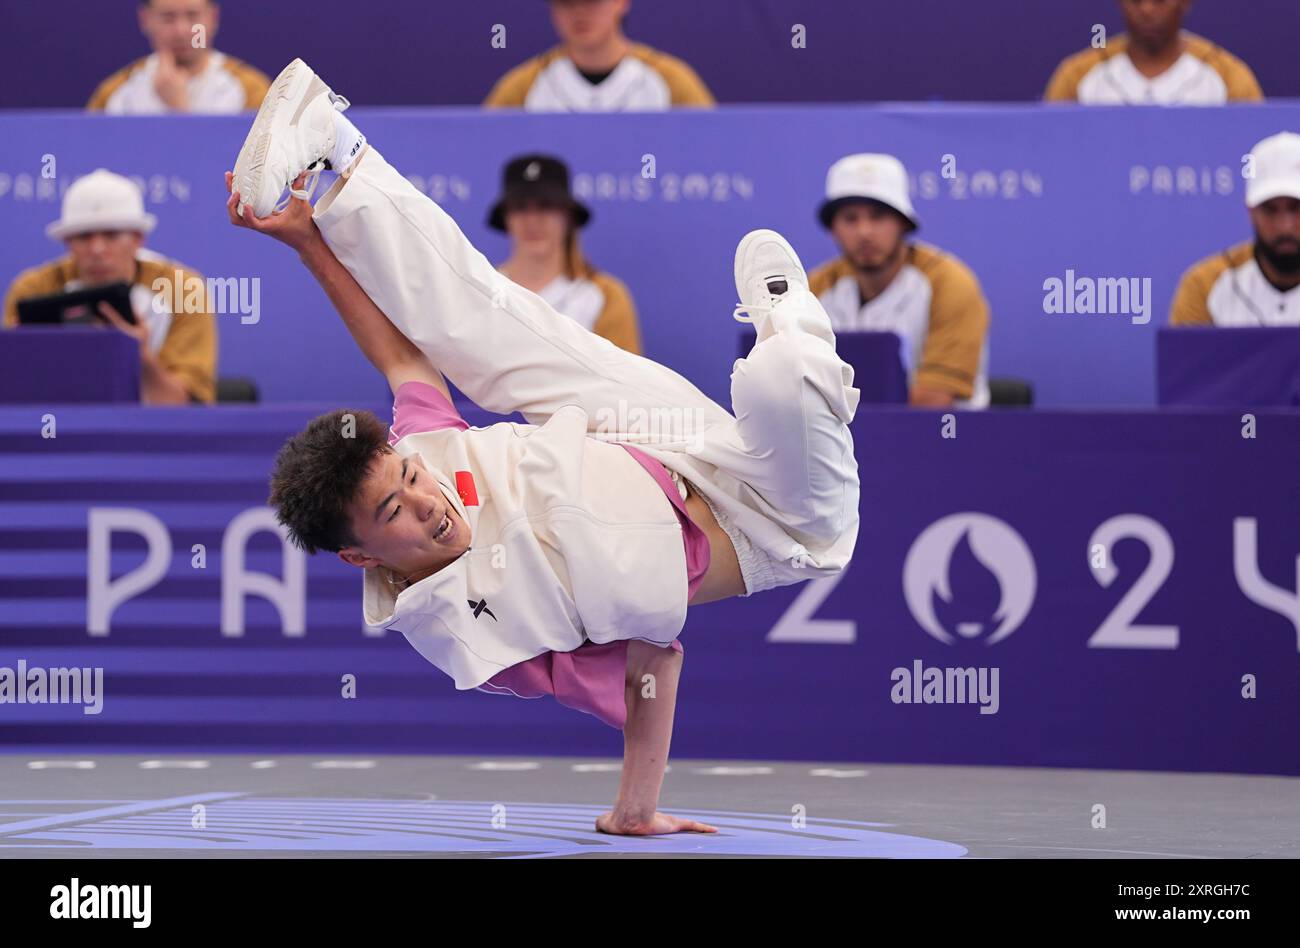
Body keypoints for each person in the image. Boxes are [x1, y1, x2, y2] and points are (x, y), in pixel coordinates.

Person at [227, 59, 859, 836]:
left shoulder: (425, 453)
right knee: (779, 377)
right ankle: (792, 325)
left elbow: (401, 358)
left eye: (410, 475)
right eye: (394, 510)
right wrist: (635, 811)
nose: (428, 499)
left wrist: (306, 242)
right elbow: (651, 666)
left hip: (651, 436)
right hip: (776, 522)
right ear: (361, 556)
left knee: (483, 328)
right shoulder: (470, 635)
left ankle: (339, 146)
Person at [2, 169, 217, 404]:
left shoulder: (182, 290)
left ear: (138, 238)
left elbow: (185, 408)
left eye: (111, 235)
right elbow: (17, 397)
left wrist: (137, 353)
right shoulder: (32, 289)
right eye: (84, 236)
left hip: (147, 427)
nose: (97, 249)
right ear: (68, 242)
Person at [808, 153, 991, 408]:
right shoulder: (813, 290)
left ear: (904, 223)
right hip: (840, 433)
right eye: (850, 218)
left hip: (943, 432)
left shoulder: (949, 283)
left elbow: (933, 402)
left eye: (878, 216)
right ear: (833, 229)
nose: (864, 232)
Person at [492, 154, 643, 354]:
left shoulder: (606, 296)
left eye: (546, 206)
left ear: (568, 216)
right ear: (505, 217)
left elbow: (624, 372)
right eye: (520, 207)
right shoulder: (483, 289)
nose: (532, 220)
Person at [484, 0, 713, 111]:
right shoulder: (521, 88)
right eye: (566, 3)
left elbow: (712, 152)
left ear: (622, 3)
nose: (579, 12)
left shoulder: (672, 82)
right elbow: (483, 158)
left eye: (591, 1)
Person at [1171, 132, 1300, 326]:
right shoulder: (1205, 285)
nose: (1285, 226)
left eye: (1296, 208)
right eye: (1270, 210)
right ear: (1251, 212)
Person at [1045, 0, 1262, 105]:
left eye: (1160, 1)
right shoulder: (1076, 75)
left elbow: (1252, 151)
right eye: (1136, 1)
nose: (1147, 10)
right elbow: (1052, 147)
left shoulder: (1228, 76)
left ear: (1185, 3)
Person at [87, 0, 270, 114]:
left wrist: (179, 109)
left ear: (213, 18)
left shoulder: (251, 91)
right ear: (145, 19)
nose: (181, 31)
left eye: (193, 16)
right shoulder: (113, 94)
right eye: (168, 18)